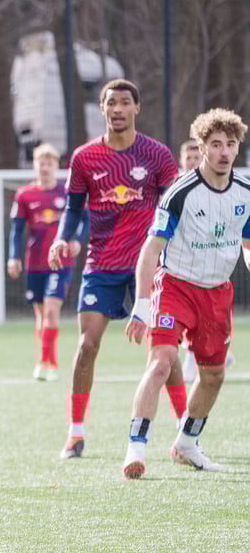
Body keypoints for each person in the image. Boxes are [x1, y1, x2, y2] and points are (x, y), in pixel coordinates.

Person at [49, 79, 182, 460]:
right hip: (101, 264)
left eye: (125, 102)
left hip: (150, 265)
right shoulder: (85, 157)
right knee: (87, 345)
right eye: (112, 103)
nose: (118, 109)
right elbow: (73, 209)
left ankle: (183, 432)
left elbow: (174, 207)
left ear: (136, 108)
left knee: (164, 350)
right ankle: (75, 433)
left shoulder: (157, 155)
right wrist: (63, 238)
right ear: (103, 109)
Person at [122, 108, 248, 479]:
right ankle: (136, 446)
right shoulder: (181, 192)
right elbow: (149, 250)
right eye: (216, 144)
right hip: (175, 286)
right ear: (202, 147)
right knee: (161, 362)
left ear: (238, 148)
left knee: (214, 375)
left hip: (217, 293)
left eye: (230, 144)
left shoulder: (245, 193)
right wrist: (142, 305)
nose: (224, 152)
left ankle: (187, 444)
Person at [8, 143, 87, 381]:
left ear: (56, 166)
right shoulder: (24, 194)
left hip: (60, 262)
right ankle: (42, 360)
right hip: (34, 264)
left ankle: (48, 364)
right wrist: (13, 256)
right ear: (35, 166)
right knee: (41, 315)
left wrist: (78, 240)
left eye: (49, 163)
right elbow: (17, 229)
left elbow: (86, 219)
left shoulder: (67, 193)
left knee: (52, 312)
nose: (45, 167)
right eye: (41, 163)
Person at [176, 139, 235, 383]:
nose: (191, 161)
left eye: (194, 156)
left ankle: (219, 350)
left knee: (217, 314)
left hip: (213, 261)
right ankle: (190, 356)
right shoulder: (176, 189)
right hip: (182, 264)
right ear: (181, 162)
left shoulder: (217, 188)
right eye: (187, 157)